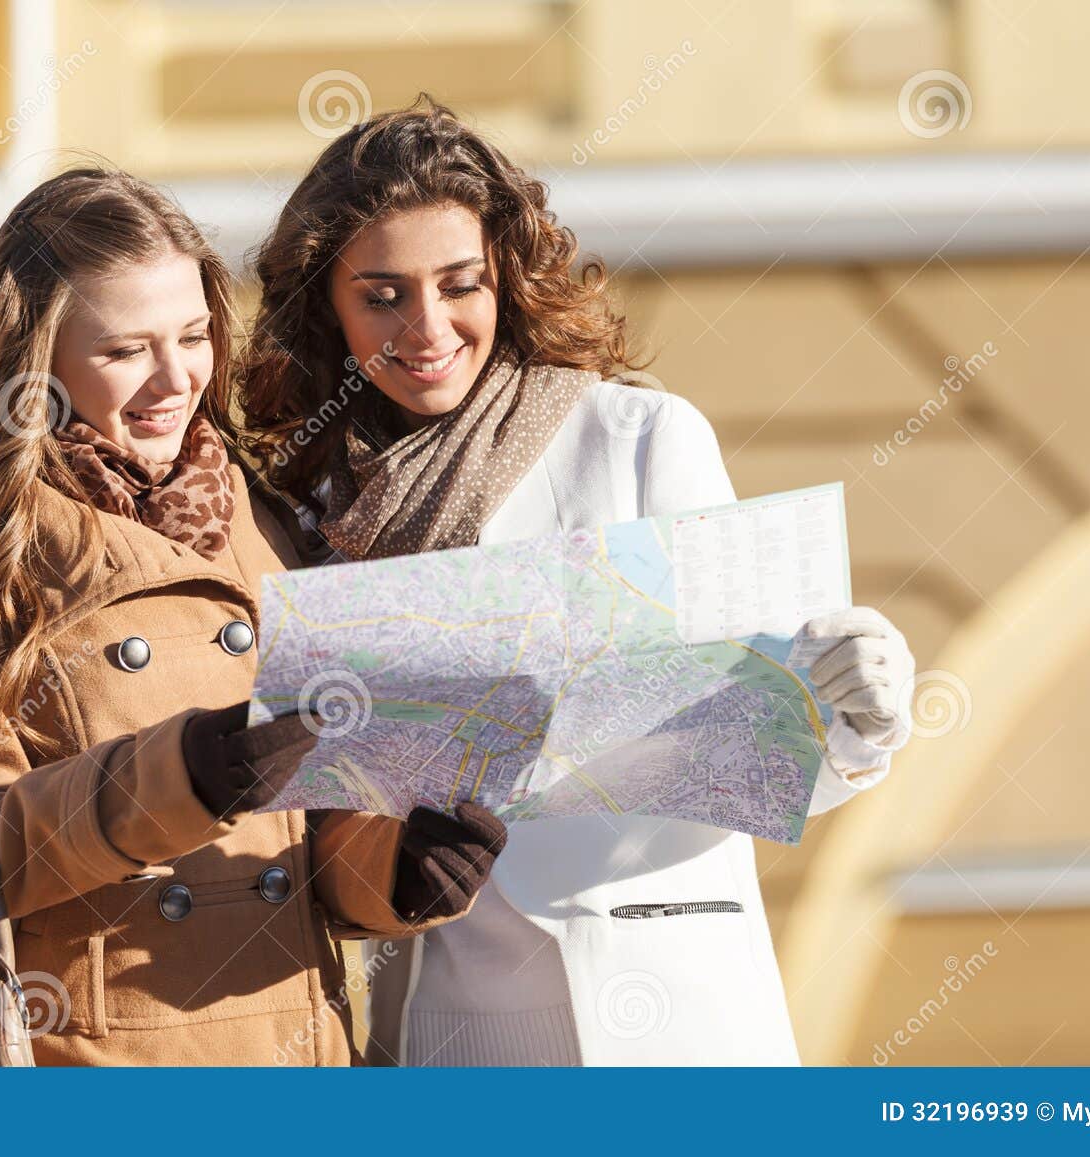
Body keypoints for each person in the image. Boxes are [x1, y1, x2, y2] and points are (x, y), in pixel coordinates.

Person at [236, 101, 916, 1065]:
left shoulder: (637, 440)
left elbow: (772, 729)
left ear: (503, 280)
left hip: (668, 1007)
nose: (427, 327)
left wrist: (858, 714)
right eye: (382, 296)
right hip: (450, 1016)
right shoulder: (307, 512)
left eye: (458, 284)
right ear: (328, 310)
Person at [0, 167, 506, 1066]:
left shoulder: (263, 515)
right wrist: (183, 776)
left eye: (193, 335)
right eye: (126, 350)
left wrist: (400, 870)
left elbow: (305, 852)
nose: (175, 380)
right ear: (37, 361)